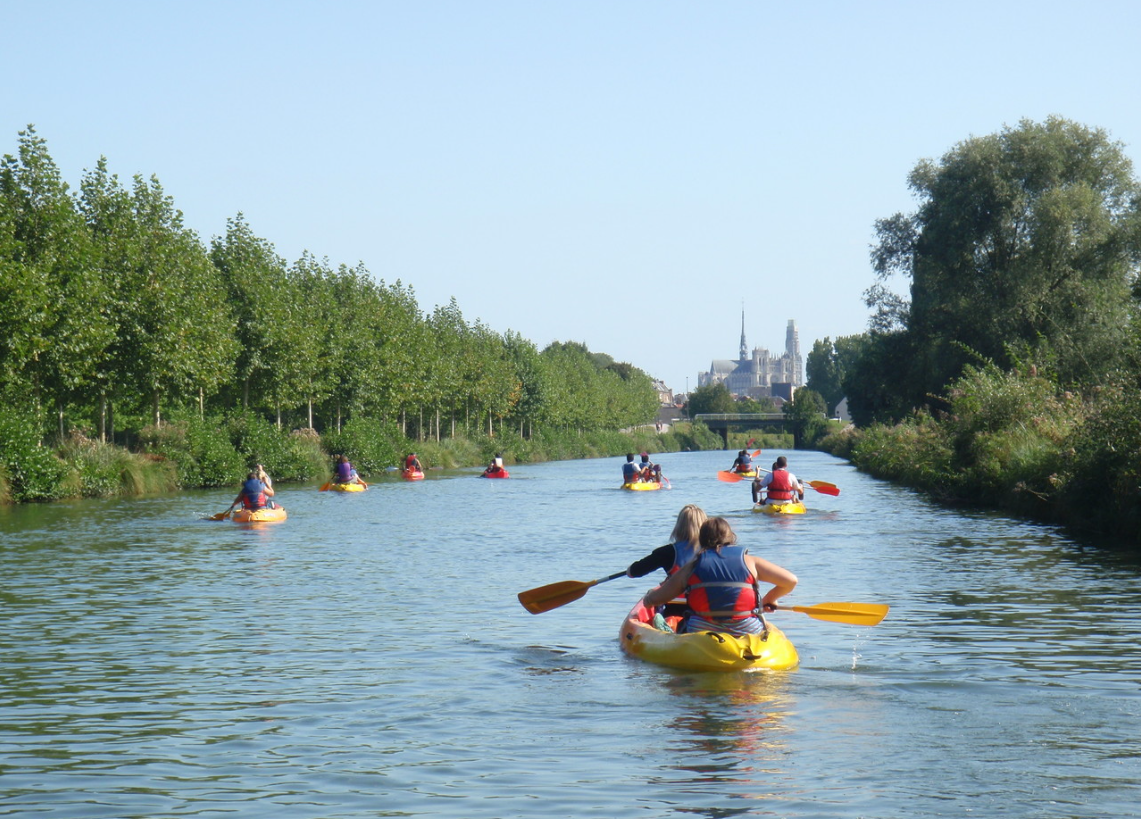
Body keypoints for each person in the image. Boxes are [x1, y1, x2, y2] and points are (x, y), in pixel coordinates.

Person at [643, 517, 797, 635]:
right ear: (731, 537)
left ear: (701, 540)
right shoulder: (750, 562)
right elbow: (790, 581)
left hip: (701, 629)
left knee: (679, 625)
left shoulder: (692, 566)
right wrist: (768, 600)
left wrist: (649, 597)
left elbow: (657, 599)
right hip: (746, 628)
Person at [626, 504, 708, 578]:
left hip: (680, 593)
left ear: (679, 526)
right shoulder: (715, 550)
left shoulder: (667, 552)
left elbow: (633, 572)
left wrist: (629, 570)